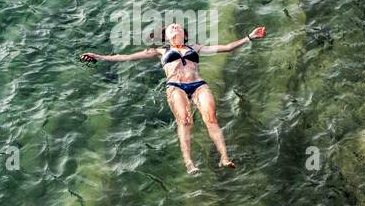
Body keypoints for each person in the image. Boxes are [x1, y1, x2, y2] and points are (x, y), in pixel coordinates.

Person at [80, 22, 267, 173]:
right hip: (175, 86)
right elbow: (126, 57)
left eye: (178, 27)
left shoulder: (196, 47)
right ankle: (189, 163)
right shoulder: (159, 51)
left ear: (185, 35)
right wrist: (99, 57)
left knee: (211, 118)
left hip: (199, 85)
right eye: (171, 28)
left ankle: (224, 158)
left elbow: (227, 47)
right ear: (167, 37)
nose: (175, 27)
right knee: (185, 121)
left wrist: (250, 37)